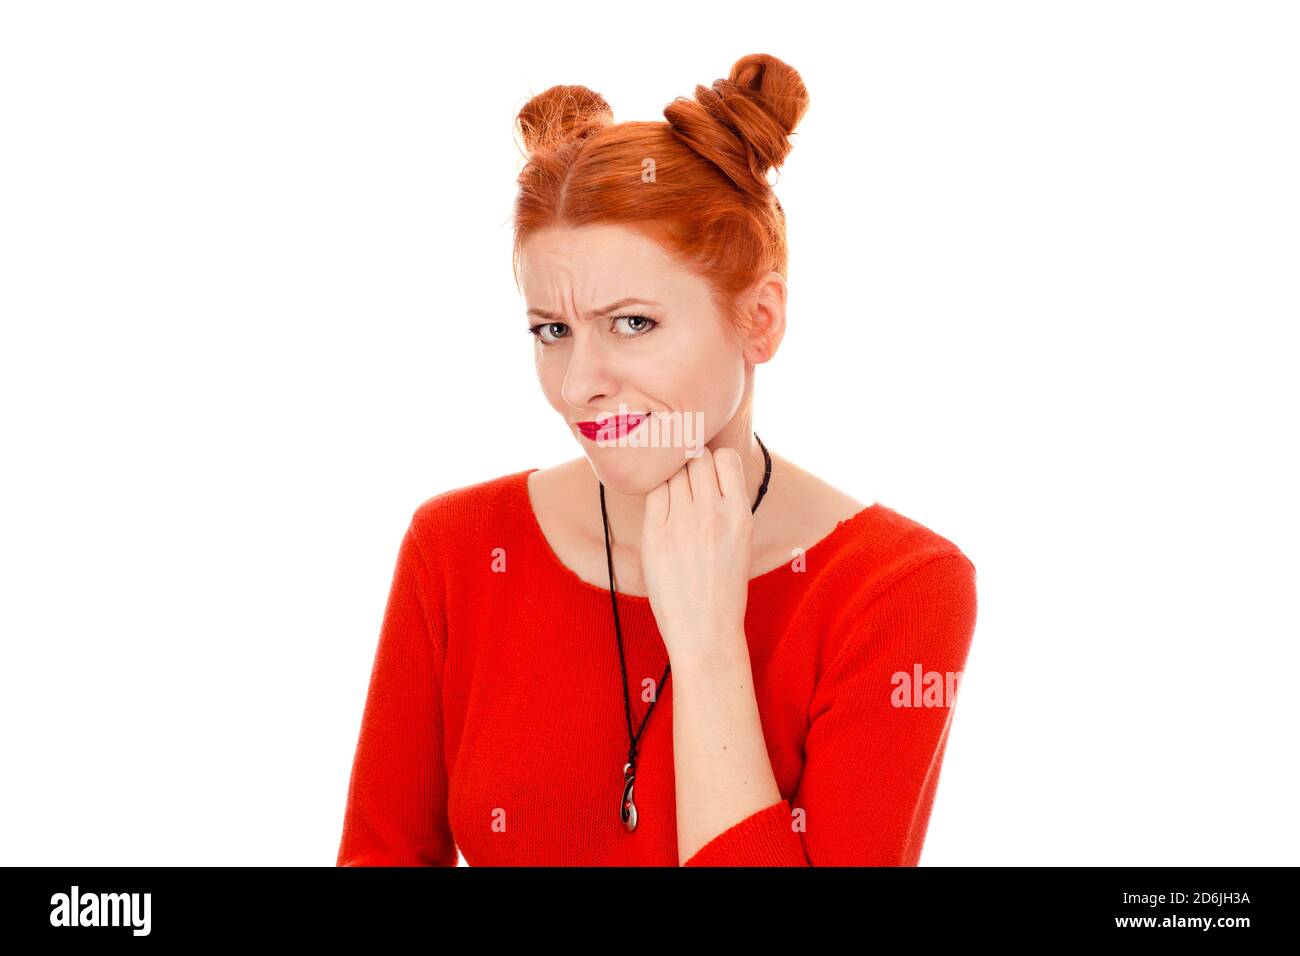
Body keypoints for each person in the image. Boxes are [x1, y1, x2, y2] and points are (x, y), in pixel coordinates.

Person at [336, 53, 977, 867]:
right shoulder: (456, 547)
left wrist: (708, 644)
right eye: (552, 331)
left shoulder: (898, 588)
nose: (580, 386)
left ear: (760, 319)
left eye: (632, 323)